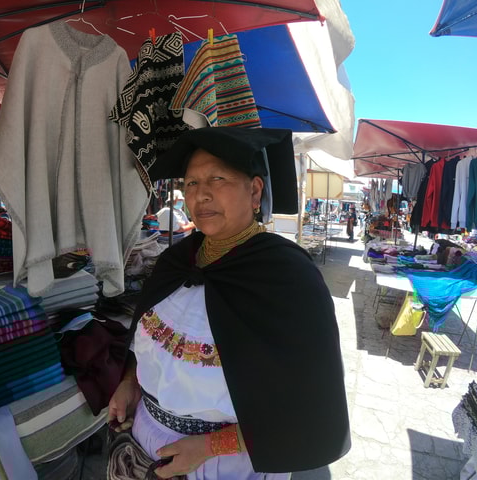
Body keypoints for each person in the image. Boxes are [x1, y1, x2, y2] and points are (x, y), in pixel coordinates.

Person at [107, 127, 350, 479]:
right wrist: (130, 382)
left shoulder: (287, 276)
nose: (201, 194)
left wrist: (209, 447)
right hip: (144, 445)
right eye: (191, 183)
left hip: (226, 464)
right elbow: (143, 344)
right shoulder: (176, 261)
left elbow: (310, 396)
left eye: (217, 179)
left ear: (255, 191)